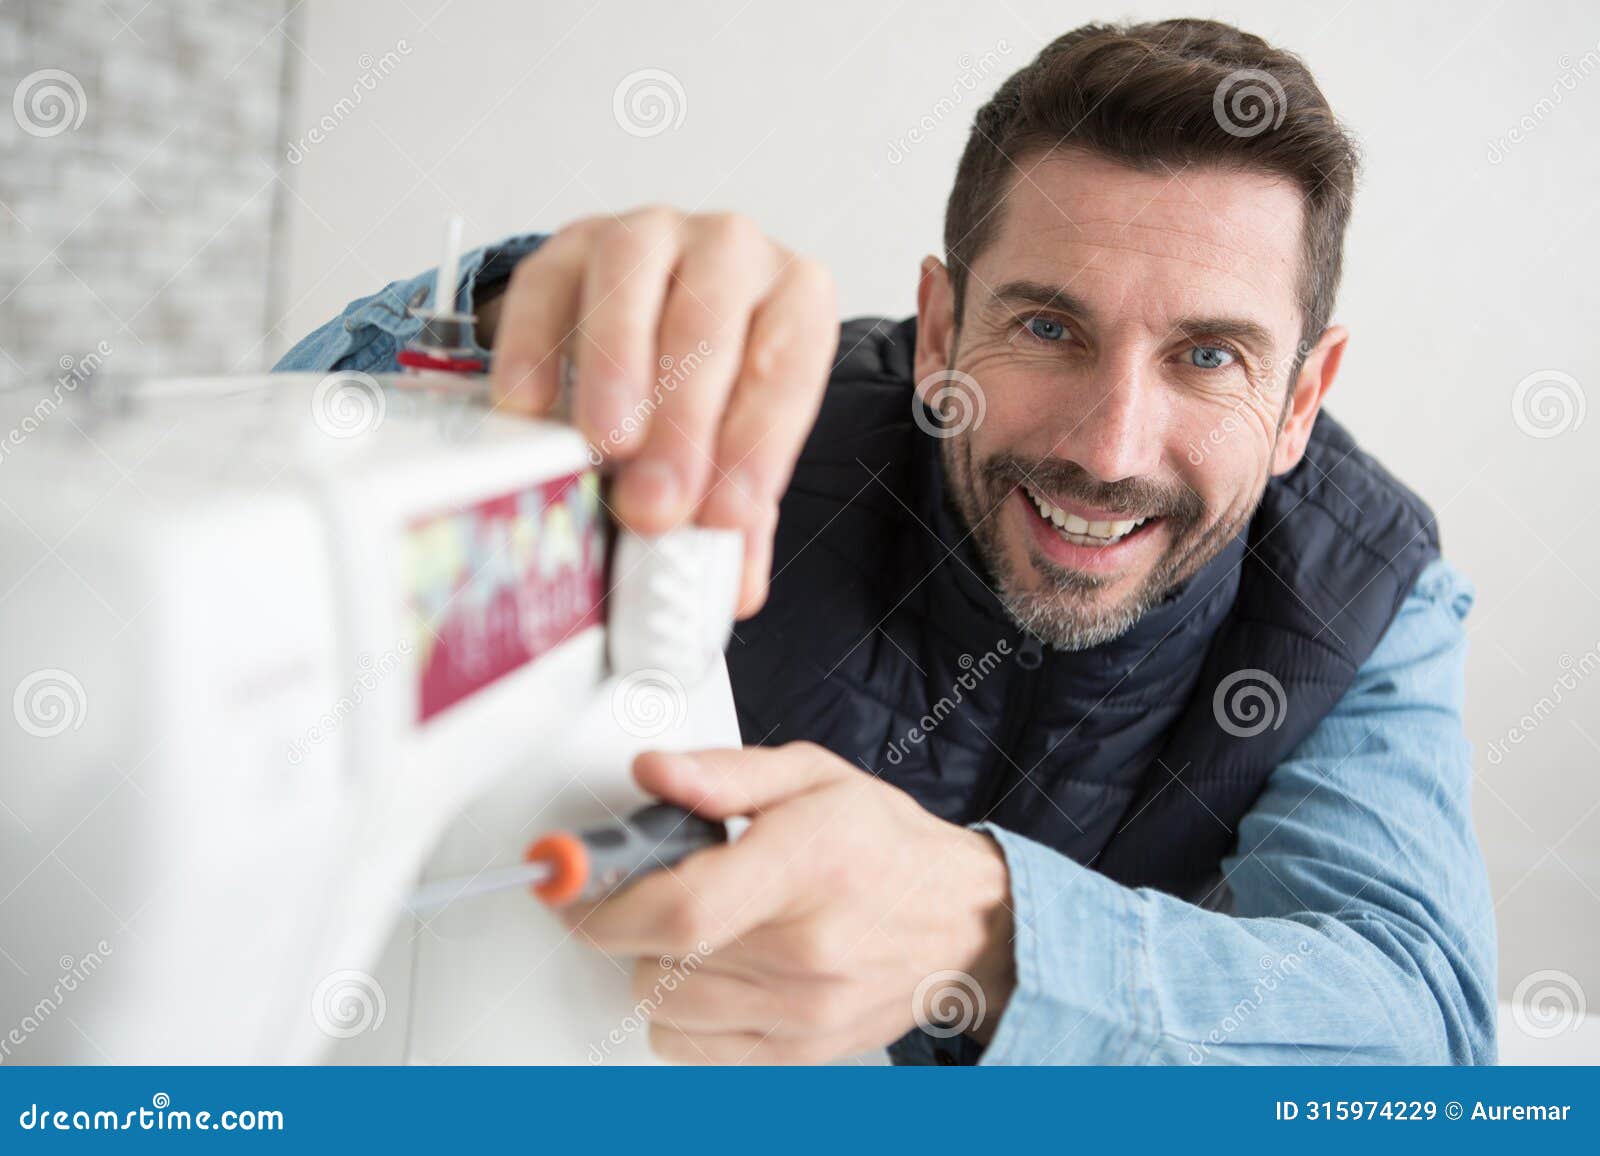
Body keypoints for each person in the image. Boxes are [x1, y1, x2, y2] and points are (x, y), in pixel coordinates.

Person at [276, 18, 1496, 1065]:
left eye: (1209, 356)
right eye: (1050, 328)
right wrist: (514, 336)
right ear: (939, 328)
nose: (1112, 447)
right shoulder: (739, 423)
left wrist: (989, 932)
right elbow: (282, 483)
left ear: (1300, 398)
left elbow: (1420, 1031)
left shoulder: (1368, 593)